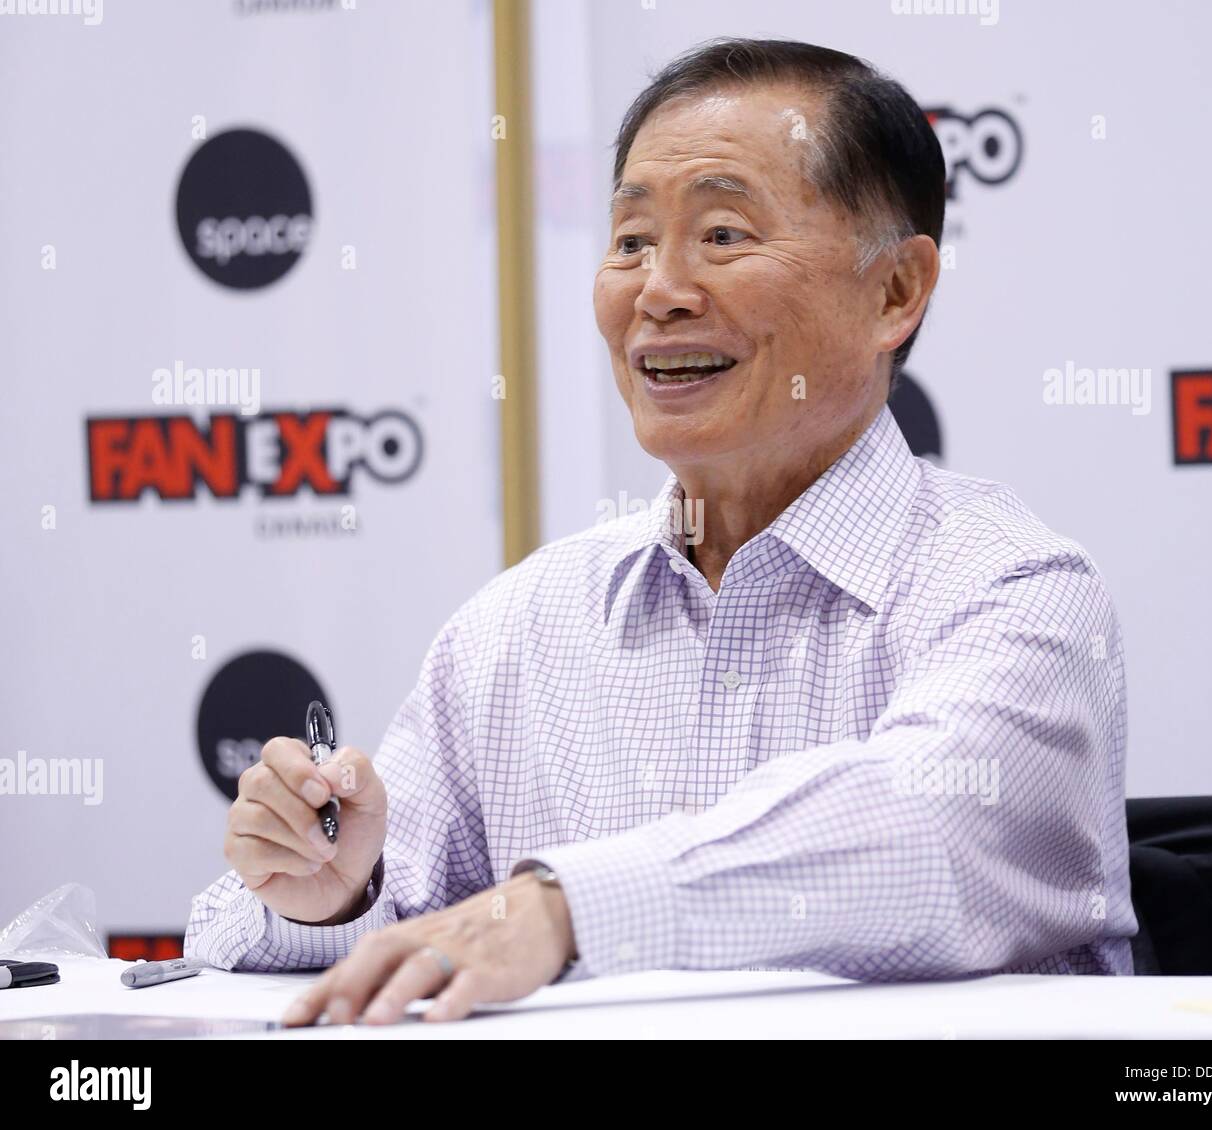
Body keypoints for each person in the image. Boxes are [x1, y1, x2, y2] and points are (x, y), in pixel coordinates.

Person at [185, 38, 1137, 1027]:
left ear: (893, 291)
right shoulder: (516, 628)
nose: (659, 291)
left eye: (723, 234)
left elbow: (925, 830)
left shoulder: (1014, 588)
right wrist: (333, 885)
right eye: (631, 241)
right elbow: (383, 911)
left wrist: (562, 907)